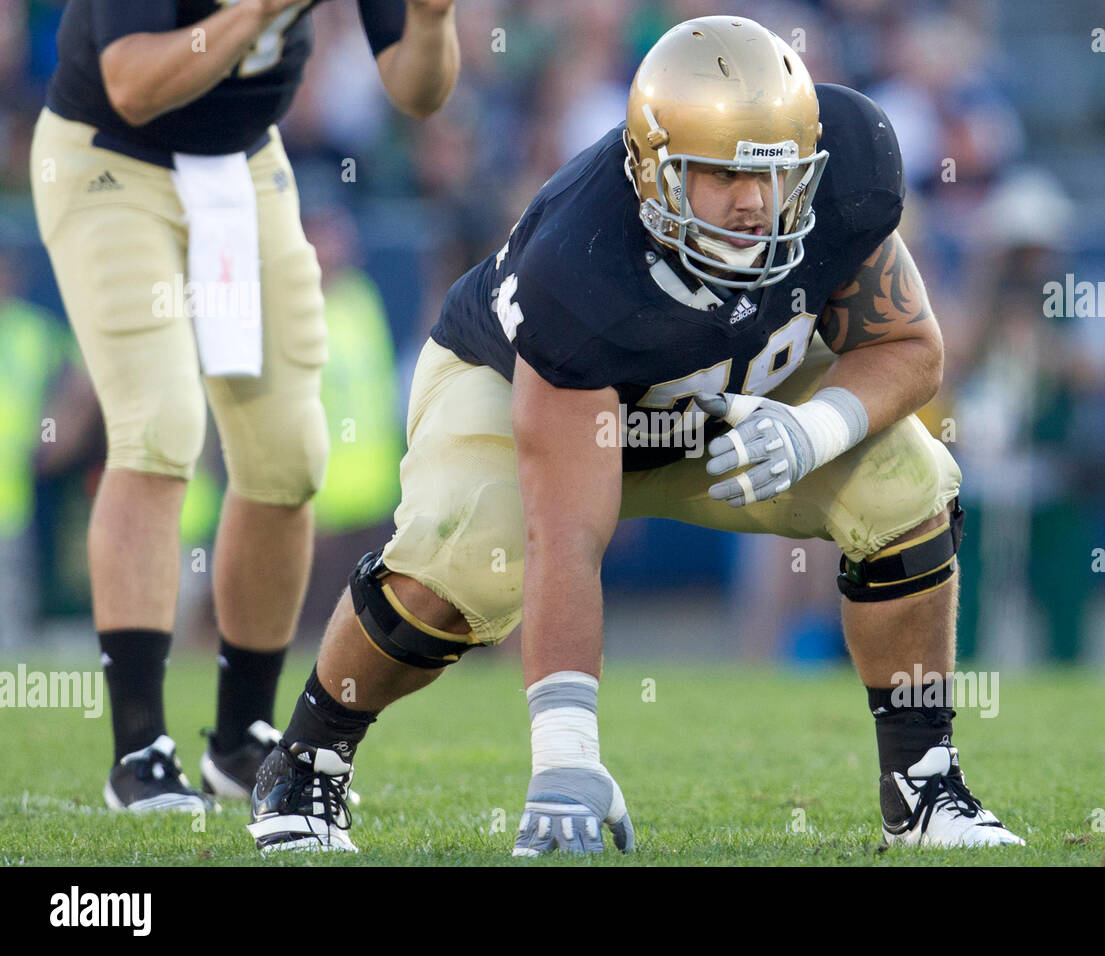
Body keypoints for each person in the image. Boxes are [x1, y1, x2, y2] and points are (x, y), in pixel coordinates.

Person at [249, 16, 1024, 854]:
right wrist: (566, 758)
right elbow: (566, 540)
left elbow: (910, 347)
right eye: (723, 173)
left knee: (911, 484)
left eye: (774, 172)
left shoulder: (847, 173)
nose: (754, 202)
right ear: (655, 168)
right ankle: (308, 759)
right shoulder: (577, 263)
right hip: (519, 392)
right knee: (462, 562)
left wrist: (814, 428)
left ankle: (924, 784)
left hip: (727, 408)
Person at [29, 0, 459, 812]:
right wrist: (261, 10)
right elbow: (130, 84)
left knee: (288, 454)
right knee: (159, 426)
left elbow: (417, 90)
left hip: (243, 161)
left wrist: (432, 22)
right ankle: (139, 748)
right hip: (111, 155)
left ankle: (240, 740)